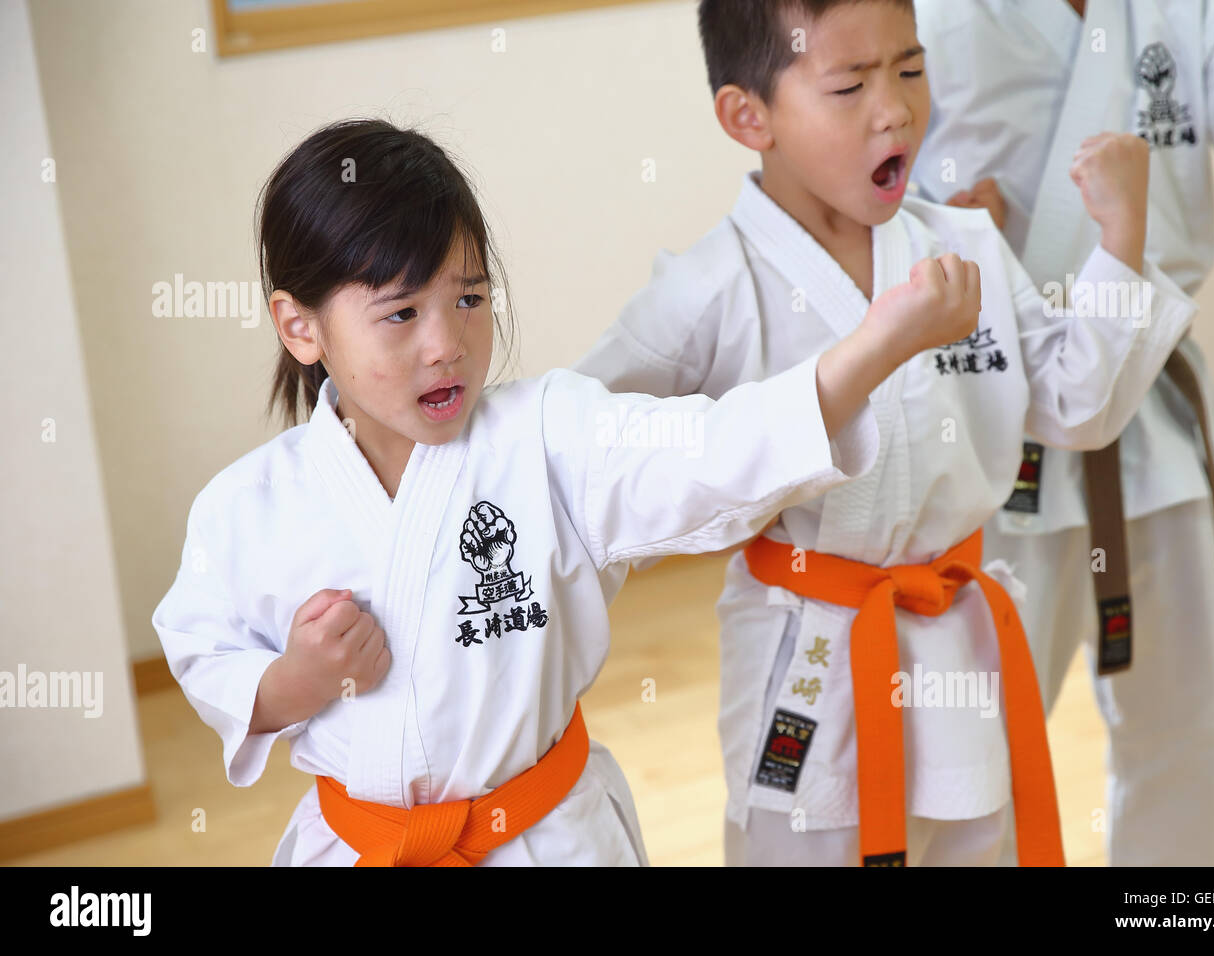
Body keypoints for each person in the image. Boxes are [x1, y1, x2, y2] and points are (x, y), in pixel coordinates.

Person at [150, 116, 964, 866]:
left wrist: (870, 352)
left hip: (545, 839)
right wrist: (292, 682)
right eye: (400, 314)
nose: (447, 345)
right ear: (301, 327)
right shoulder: (247, 506)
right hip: (363, 846)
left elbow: (709, 450)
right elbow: (203, 652)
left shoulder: (548, 433)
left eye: (468, 299)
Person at [574, 0, 1196, 865]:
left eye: (909, 68)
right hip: (809, 650)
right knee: (809, 845)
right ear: (748, 116)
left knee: (974, 834)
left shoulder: (964, 243)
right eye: (849, 84)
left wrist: (1121, 234)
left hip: (956, 631)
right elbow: (593, 446)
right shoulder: (709, 289)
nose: (895, 108)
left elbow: (1076, 405)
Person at [911, 0, 1214, 865]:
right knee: (977, 750)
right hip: (994, 428)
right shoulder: (933, 14)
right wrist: (930, 220)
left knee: (1185, 730)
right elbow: (853, 170)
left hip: (1151, 423)